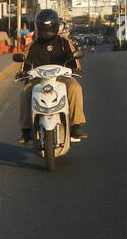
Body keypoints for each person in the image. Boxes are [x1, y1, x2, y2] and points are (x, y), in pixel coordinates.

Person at [16, 9, 87, 144]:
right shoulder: (33, 45)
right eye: (42, 28)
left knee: (75, 88)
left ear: (55, 27)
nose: (45, 30)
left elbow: (74, 58)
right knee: (24, 93)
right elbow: (25, 63)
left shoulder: (64, 42)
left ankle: (76, 125)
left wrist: (76, 69)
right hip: (38, 79)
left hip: (61, 77)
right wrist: (22, 73)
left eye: (48, 27)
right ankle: (25, 131)